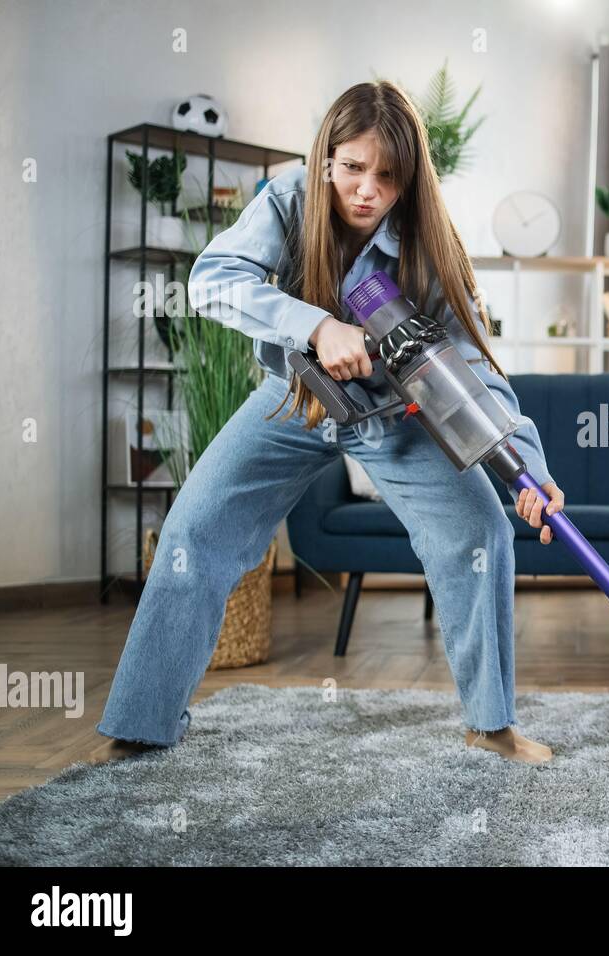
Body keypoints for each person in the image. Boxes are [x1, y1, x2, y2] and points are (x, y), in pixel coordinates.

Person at [97, 80, 562, 765]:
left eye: (387, 175)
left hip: (399, 415)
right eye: (352, 168)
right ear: (326, 161)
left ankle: (490, 725)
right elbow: (212, 280)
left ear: (409, 179)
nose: (366, 190)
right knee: (195, 531)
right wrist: (315, 325)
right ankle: (141, 726)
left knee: (479, 530)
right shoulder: (287, 201)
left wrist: (529, 468)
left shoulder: (429, 243)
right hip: (295, 399)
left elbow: (474, 368)